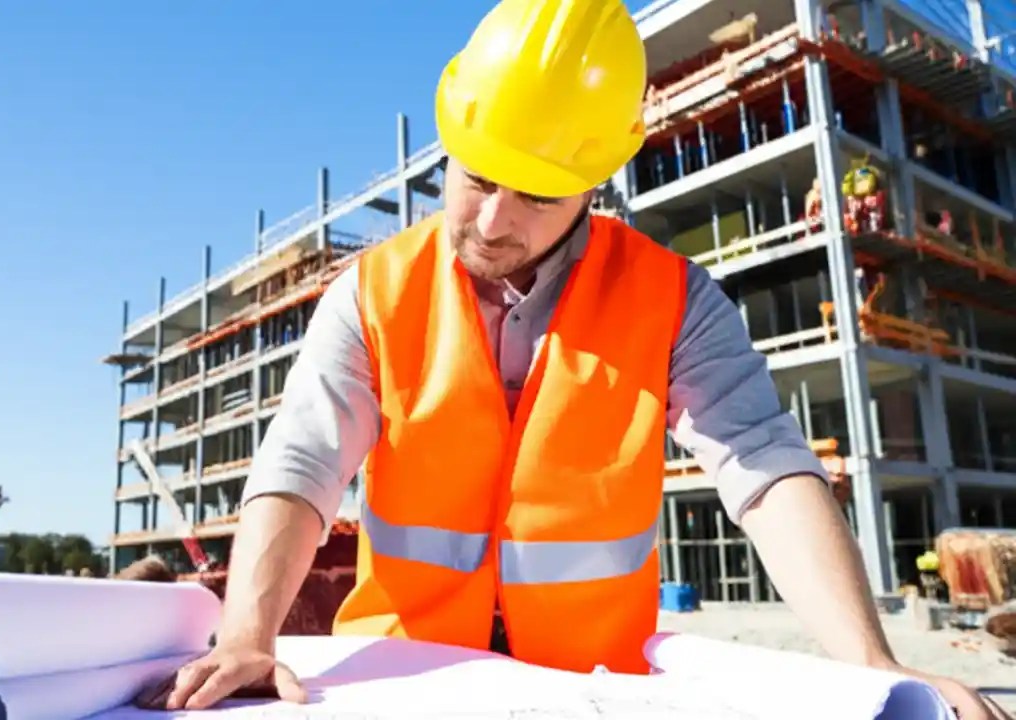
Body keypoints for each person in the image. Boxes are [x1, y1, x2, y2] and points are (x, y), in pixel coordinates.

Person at [134, 1, 1010, 717]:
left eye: (538, 194)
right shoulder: (371, 293)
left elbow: (770, 474)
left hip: (592, 696)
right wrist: (249, 634)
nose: (490, 222)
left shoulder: (674, 301)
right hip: (398, 684)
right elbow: (301, 465)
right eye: (476, 177)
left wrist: (871, 664)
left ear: (595, 180)